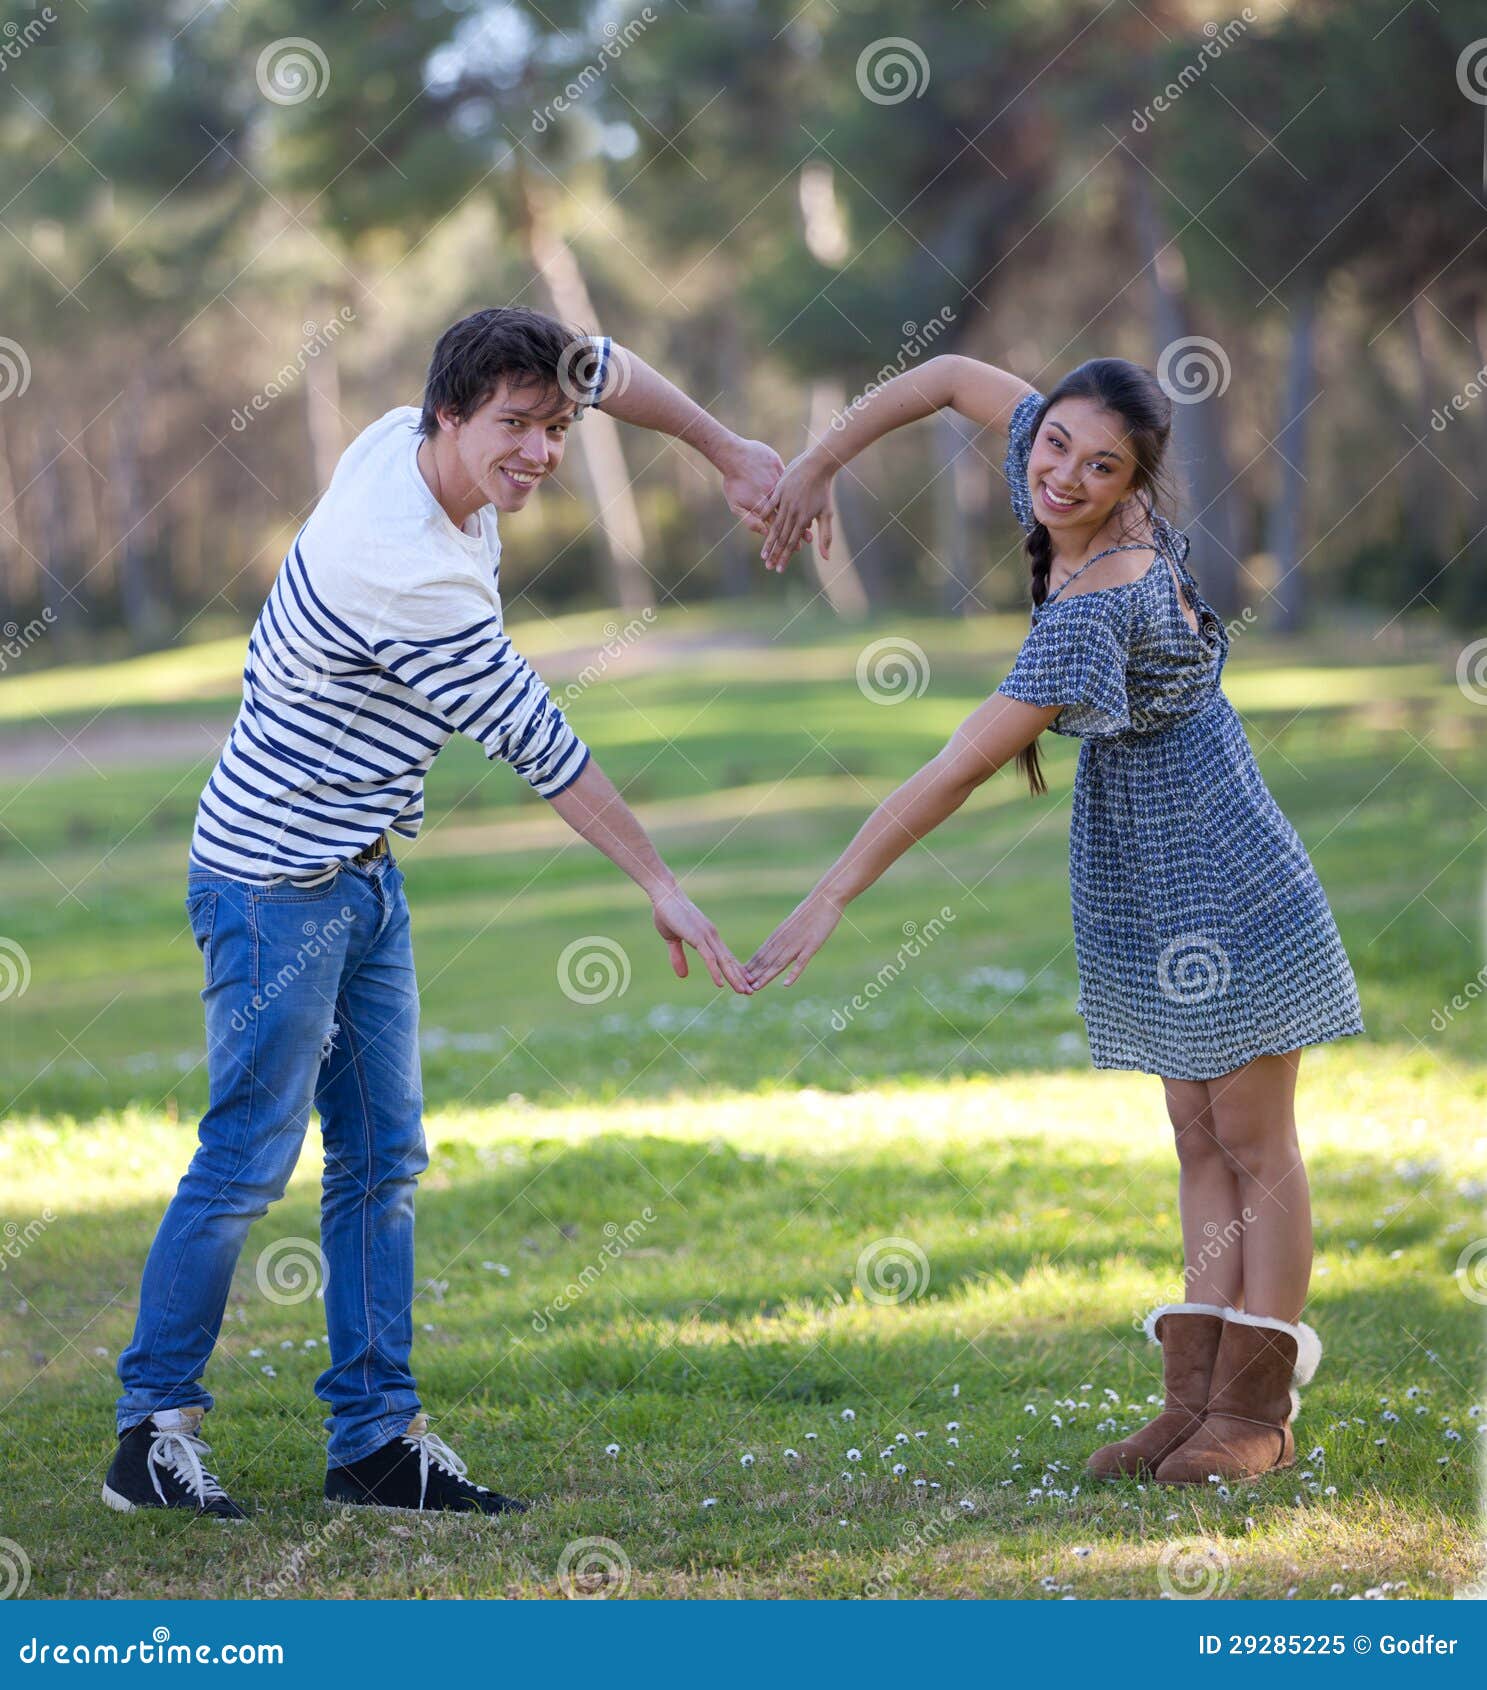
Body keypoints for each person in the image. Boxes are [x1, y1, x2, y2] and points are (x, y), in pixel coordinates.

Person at [108, 306, 787, 1518]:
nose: (538, 451)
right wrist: (660, 882)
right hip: (272, 887)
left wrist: (728, 449)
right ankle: (149, 1435)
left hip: (363, 871)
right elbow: (539, 742)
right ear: (448, 417)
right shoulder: (406, 569)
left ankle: (374, 1442)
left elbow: (609, 368)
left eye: (556, 428)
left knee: (383, 1160)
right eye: (514, 426)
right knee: (247, 1158)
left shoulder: (398, 438)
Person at [750, 352, 1362, 1484]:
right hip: (1152, 879)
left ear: (1135, 480)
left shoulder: (1099, 601)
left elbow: (956, 766)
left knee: (1252, 1140)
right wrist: (820, 460)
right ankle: (1191, 1404)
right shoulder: (1070, 491)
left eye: (1099, 465)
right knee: (1194, 1135)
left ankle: (1255, 1414)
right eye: (1054, 446)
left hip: (1223, 874)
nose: (1065, 475)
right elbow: (945, 375)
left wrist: (832, 892)